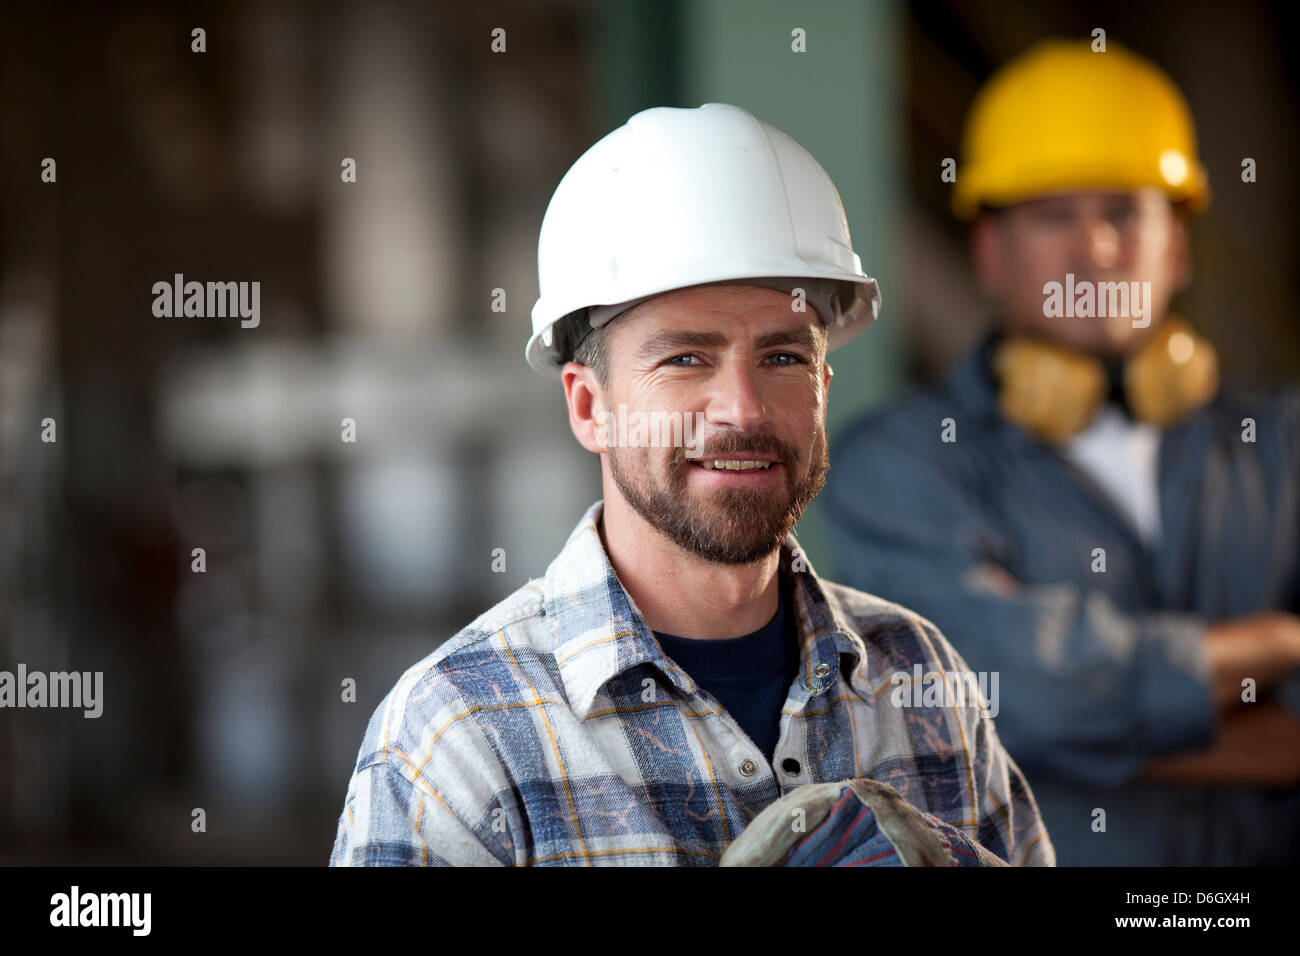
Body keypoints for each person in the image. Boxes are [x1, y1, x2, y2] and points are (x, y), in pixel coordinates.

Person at [329, 102, 1055, 866]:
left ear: (824, 386)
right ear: (589, 406)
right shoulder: (460, 737)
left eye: (783, 358)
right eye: (685, 359)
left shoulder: (916, 672)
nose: (743, 410)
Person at [823, 40, 1300, 866]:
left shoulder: (1284, 445)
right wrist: (1282, 646)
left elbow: (1029, 720)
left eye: (1123, 210)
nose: (1096, 250)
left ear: (1178, 245)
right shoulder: (892, 466)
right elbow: (1006, 703)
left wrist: (1075, 729)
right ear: (989, 254)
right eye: (1053, 216)